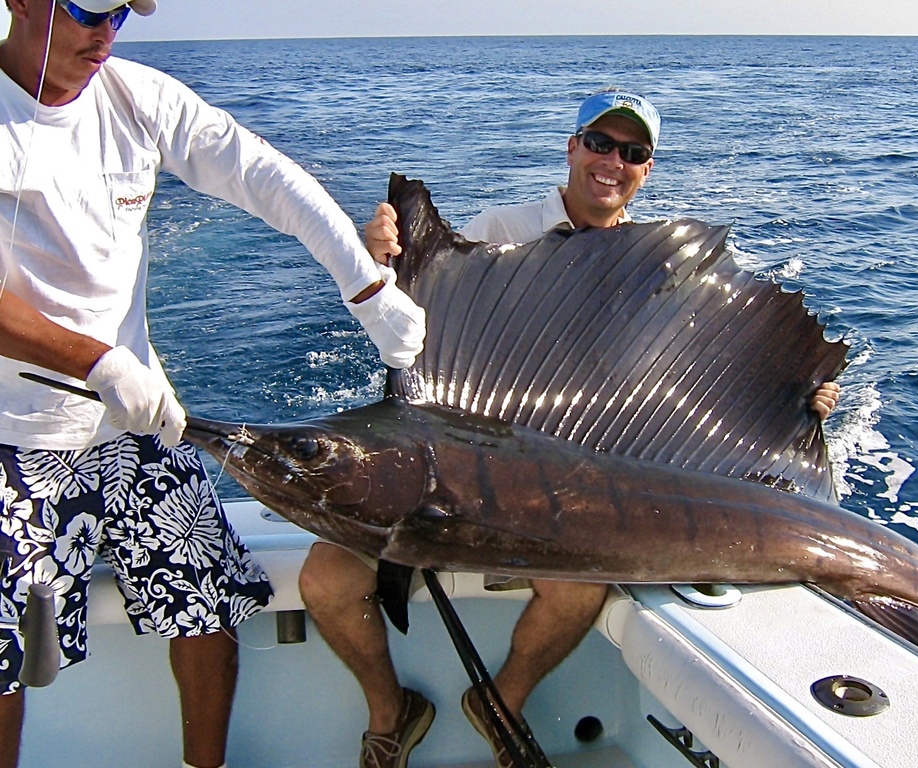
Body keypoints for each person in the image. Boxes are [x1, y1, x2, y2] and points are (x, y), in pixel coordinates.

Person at [299, 89, 842, 768]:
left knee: (580, 589)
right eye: (600, 144)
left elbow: (703, 379)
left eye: (632, 152)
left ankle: (501, 702)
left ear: (647, 169)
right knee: (324, 580)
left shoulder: (663, 267)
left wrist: (790, 400)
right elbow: (409, 332)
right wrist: (379, 267)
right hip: (452, 478)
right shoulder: (501, 229)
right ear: (572, 148)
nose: (613, 162)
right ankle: (391, 713)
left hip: (564, 501)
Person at [0, 2, 426, 768]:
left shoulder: (136, 96)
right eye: (90, 6)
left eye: (123, 12)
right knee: (5, 655)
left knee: (206, 602)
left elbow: (264, 175)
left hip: (133, 424)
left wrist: (365, 287)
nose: (106, 32)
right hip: (15, 433)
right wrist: (97, 361)